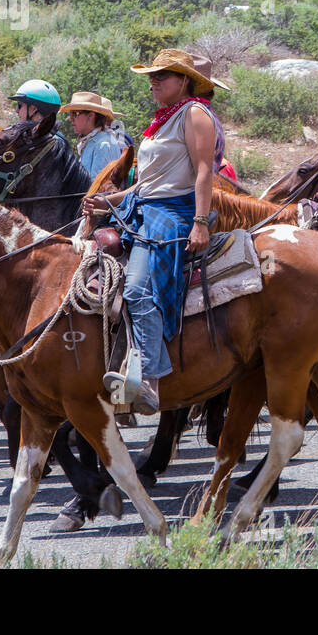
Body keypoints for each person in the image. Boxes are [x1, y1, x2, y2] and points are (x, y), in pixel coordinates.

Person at [81, 50, 226, 415]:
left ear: (186, 81)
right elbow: (143, 186)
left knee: (136, 288)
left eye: (164, 75)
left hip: (173, 213)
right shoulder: (164, 119)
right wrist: (104, 202)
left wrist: (201, 221)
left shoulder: (194, 114)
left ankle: (151, 378)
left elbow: (204, 172)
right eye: (152, 74)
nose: (154, 80)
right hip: (143, 208)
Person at [61, 91, 133, 178]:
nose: (70, 119)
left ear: (91, 116)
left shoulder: (103, 145)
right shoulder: (93, 141)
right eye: (70, 114)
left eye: (75, 114)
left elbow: (97, 188)